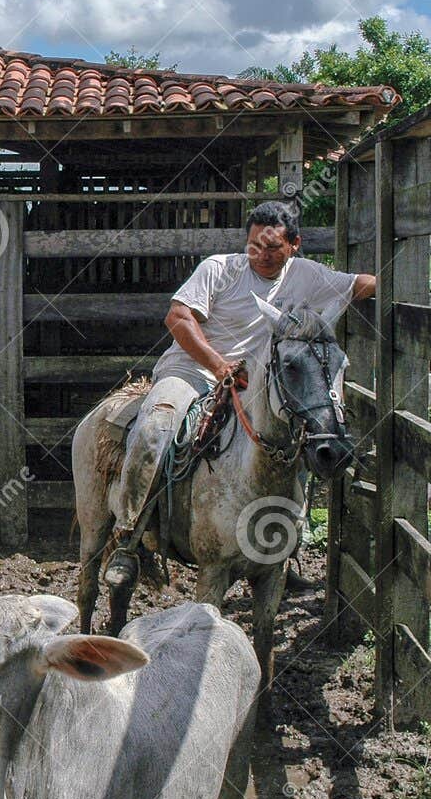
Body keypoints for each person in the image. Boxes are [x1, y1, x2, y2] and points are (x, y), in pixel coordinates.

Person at [101, 199, 377, 599]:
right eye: (254, 245)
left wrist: (396, 282)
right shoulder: (218, 269)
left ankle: (282, 545)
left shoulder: (307, 275)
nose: (261, 255)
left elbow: (359, 284)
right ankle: (129, 537)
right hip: (192, 372)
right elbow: (178, 317)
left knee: (295, 435)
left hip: (253, 383)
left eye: (272, 248)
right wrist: (217, 365)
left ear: (294, 244)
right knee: (155, 426)